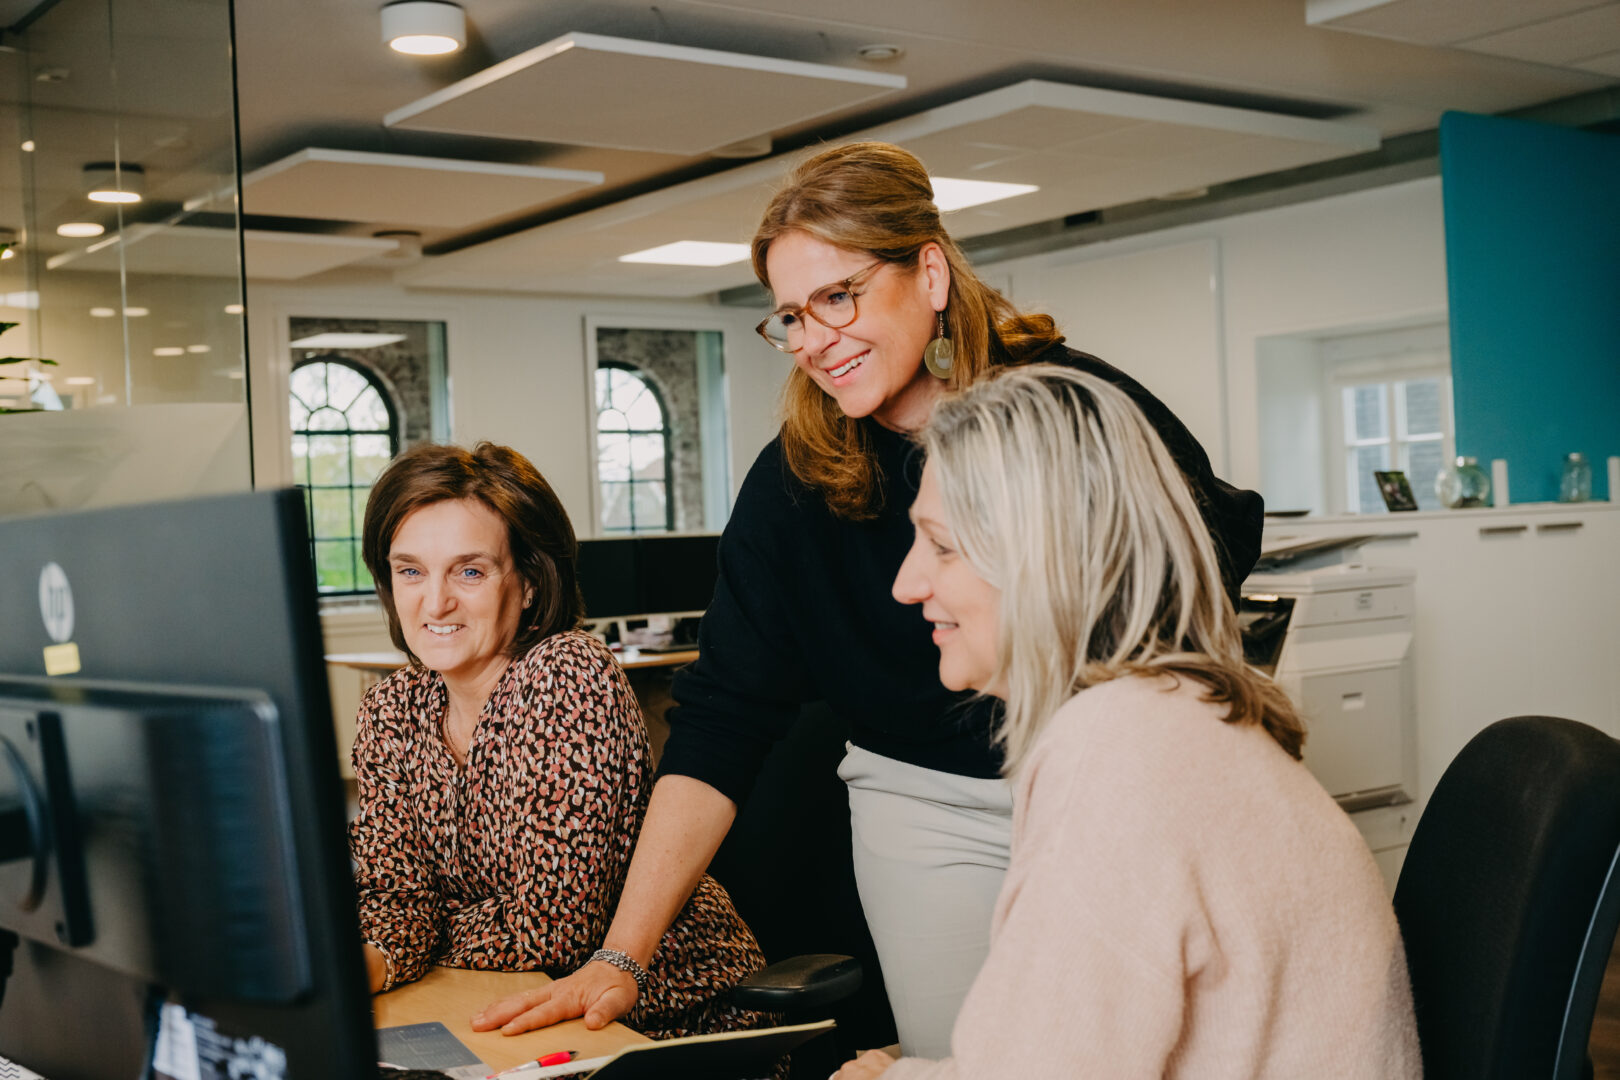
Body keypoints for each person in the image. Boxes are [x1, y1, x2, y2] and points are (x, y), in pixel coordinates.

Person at [472, 141, 1265, 1057]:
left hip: (1107, 778)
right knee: (961, 1054)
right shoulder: (793, 485)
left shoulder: (1068, 412)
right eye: (789, 318)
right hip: (927, 806)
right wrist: (623, 956)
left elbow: (1206, 553)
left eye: (837, 298)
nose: (813, 340)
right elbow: (723, 719)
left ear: (929, 271)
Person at [832, 364, 1420, 1079]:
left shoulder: (1117, 752)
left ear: (1048, 558)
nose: (906, 583)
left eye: (943, 546)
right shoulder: (1179, 716)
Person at [350, 441, 769, 1040]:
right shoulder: (392, 708)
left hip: (659, 1022)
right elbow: (394, 900)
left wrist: (425, 929)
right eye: (410, 570)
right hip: (514, 1010)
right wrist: (364, 960)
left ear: (527, 585)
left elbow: (553, 929)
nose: (435, 601)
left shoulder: (566, 677)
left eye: (470, 571)